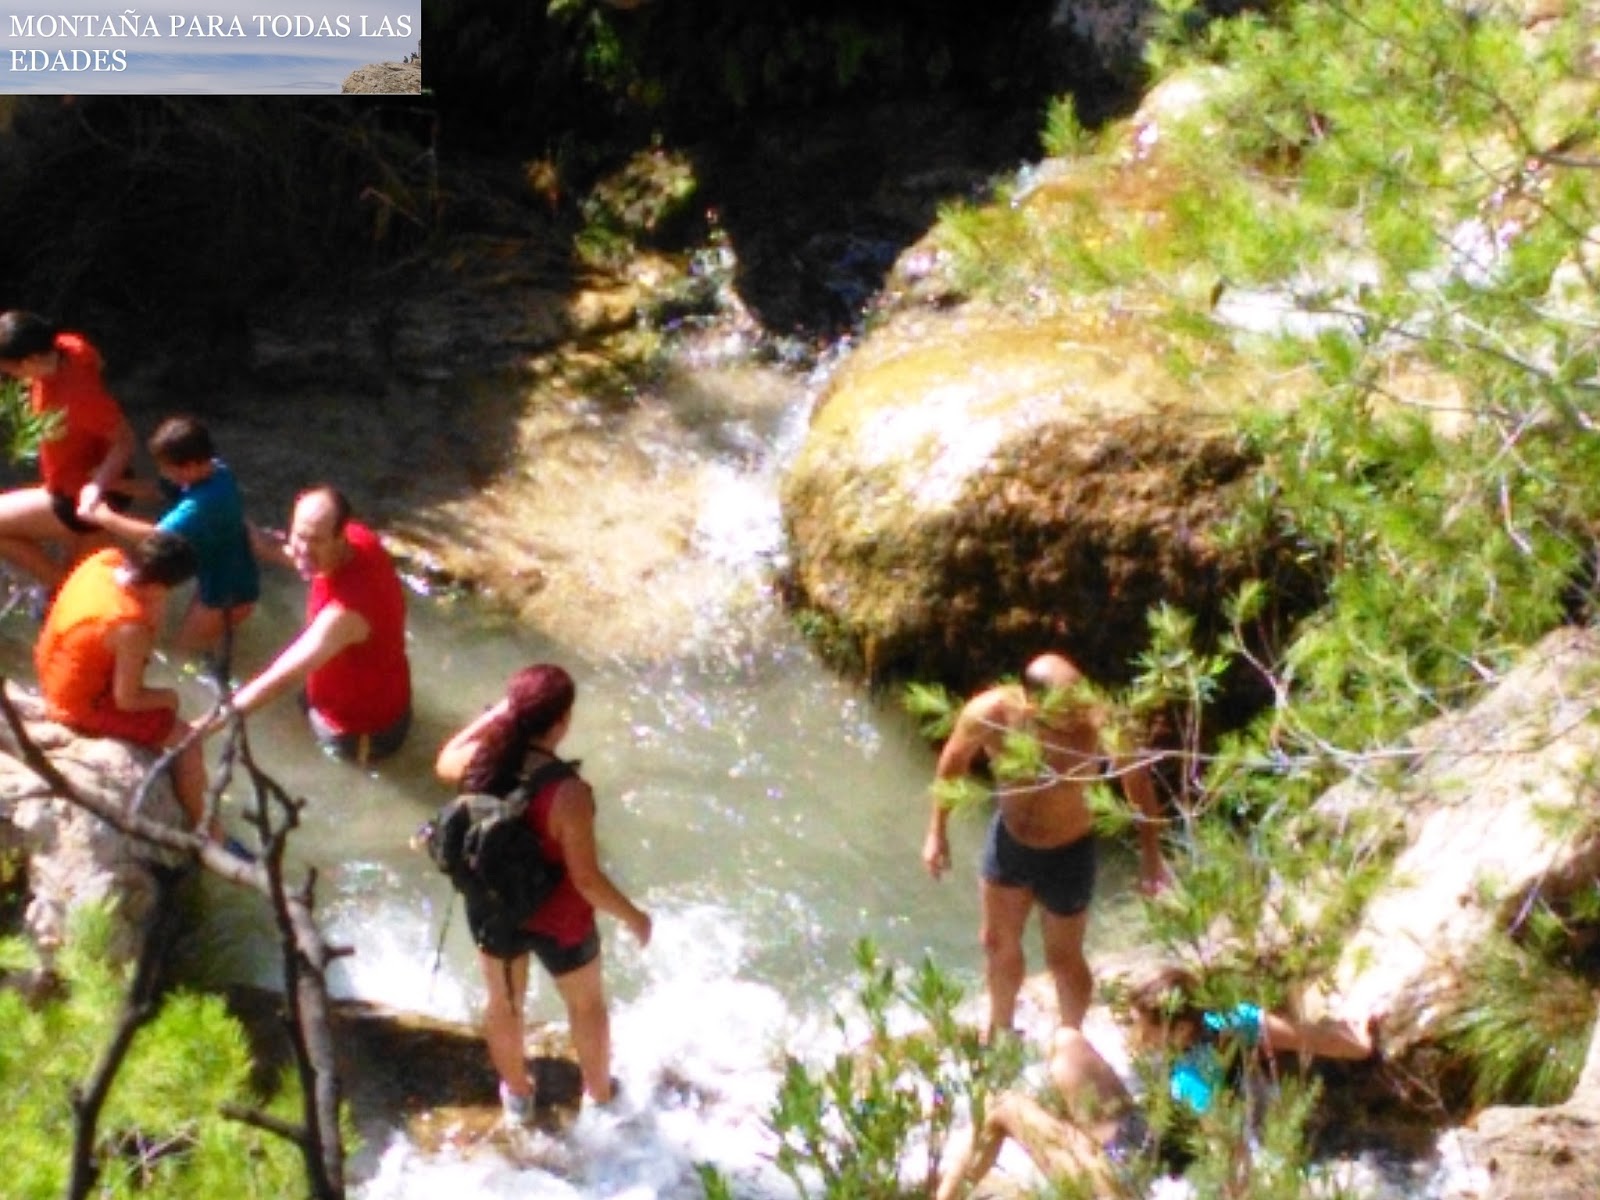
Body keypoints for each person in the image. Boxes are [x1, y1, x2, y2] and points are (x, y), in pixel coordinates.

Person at [936, 965, 1377, 1200]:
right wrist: (1360, 1041)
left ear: (1176, 1029)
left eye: (1142, 1027)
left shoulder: (1195, 1086)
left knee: (1002, 1106)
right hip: (1135, 1133)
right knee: (1067, 1041)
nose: (1133, 1035)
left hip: (1122, 1178)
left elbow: (1227, 1155)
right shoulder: (1237, 1021)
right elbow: (1316, 1039)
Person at [435, 663, 652, 1123]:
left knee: (504, 1003)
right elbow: (587, 880)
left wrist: (497, 714)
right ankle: (598, 1097)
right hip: (560, 918)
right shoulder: (567, 793)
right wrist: (634, 917)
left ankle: (516, 1095)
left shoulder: (480, 762)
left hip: (495, 910)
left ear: (513, 712)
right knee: (586, 1005)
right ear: (562, 721)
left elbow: (445, 757)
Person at [923, 652, 1168, 1039]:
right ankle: (1001, 1031)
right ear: (1032, 702)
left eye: (1078, 698)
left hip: (1069, 851)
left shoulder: (1098, 722)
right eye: (1065, 705)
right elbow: (952, 764)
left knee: (1063, 958)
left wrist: (1151, 858)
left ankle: (1071, 1039)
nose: (1076, 711)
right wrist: (937, 832)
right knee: (996, 941)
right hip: (1011, 841)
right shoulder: (991, 713)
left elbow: (1137, 783)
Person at [34, 531, 213, 834]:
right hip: (74, 706)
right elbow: (127, 700)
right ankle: (206, 830)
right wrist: (169, 697)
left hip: (51, 674)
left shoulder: (103, 560)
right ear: (162, 586)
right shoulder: (129, 626)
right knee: (186, 739)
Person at [220, 485, 410, 764]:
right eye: (300, 536)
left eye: (317, 541)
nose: (304, 550)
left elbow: (275, 680)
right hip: (351, 691)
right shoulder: (358, 538)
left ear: (340, 536)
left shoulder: (345, 614)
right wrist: (250, 536)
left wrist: (198, 731)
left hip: (357, 734)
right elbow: (300, 558)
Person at [82, 414, 260, 654]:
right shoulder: (215, 470)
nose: (165, 474)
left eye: (168, 469)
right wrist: (110, 484)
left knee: (182, 653)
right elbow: (158, 490)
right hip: (226, 578)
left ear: (192, 466)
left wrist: (103, 516)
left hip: (228, 594)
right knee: (204, 645)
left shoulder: (203, 503)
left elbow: (155, 538)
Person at [0, 311, 142, 592]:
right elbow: (96, 362)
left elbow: (125, 440)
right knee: (88, 585)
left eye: (10, 370)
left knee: (74, 589)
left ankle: (60, 589)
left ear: (31, 361)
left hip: (76, 498)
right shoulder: (68, 345)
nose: (10, 377)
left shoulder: (79, 399)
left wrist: (96, 487)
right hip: (78, 487)